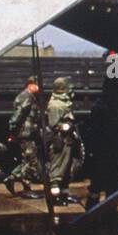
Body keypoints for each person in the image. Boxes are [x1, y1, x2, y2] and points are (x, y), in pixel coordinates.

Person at [84, 55, 118, 207]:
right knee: (113, 183)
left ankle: (94, 206)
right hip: (114, 150)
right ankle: (109, 208)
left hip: (103, 150)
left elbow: (93, 128)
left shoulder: (100, 108)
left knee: (98, 180)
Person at [45, 76, 82, 204]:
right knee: (57, 169)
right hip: (60, 140)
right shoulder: (55, 105)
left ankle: (64, 195)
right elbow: (54, 124)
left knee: (66, 169)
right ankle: (54, 197)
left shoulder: (66, 103)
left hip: (68, 140)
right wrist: (67, 126)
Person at [4, 75, 42, 196]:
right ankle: (14, 179)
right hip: (26, 133)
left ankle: (25, 186)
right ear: (30, 85)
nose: (39, 88)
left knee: (27, 159)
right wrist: (13, 129)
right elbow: (19, 114)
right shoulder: (27, 97)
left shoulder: (28, 96)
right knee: (32, 161)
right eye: (37, 85)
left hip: (27, 133)